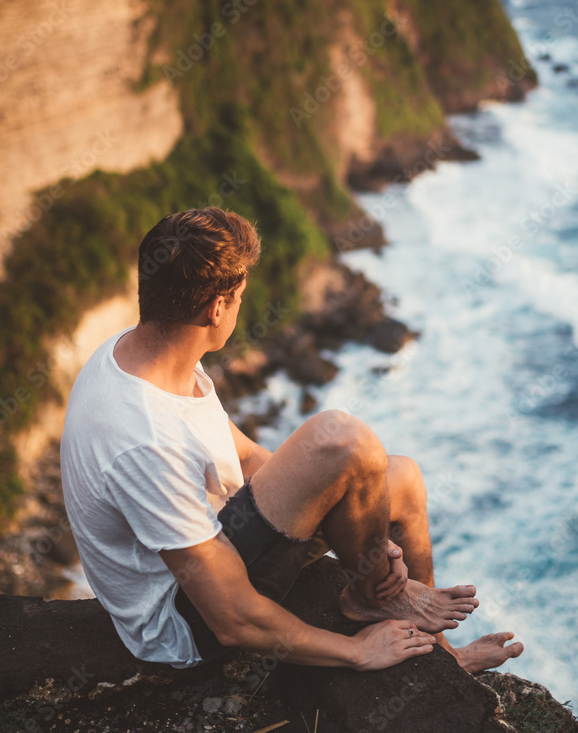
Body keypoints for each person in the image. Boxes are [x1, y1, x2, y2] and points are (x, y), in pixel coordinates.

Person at [60, 208, 523, 673]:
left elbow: (241, 455)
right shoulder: (143, 437)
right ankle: (380, 601)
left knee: (399, 478)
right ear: (215, 308)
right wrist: (358, 653)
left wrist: (372, 540)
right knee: (343, 439)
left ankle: (430, 645)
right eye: (239, 295)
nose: (241, 305)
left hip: (218, 533)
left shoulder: (148, 353)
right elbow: (232, 619)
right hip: (185, 621)